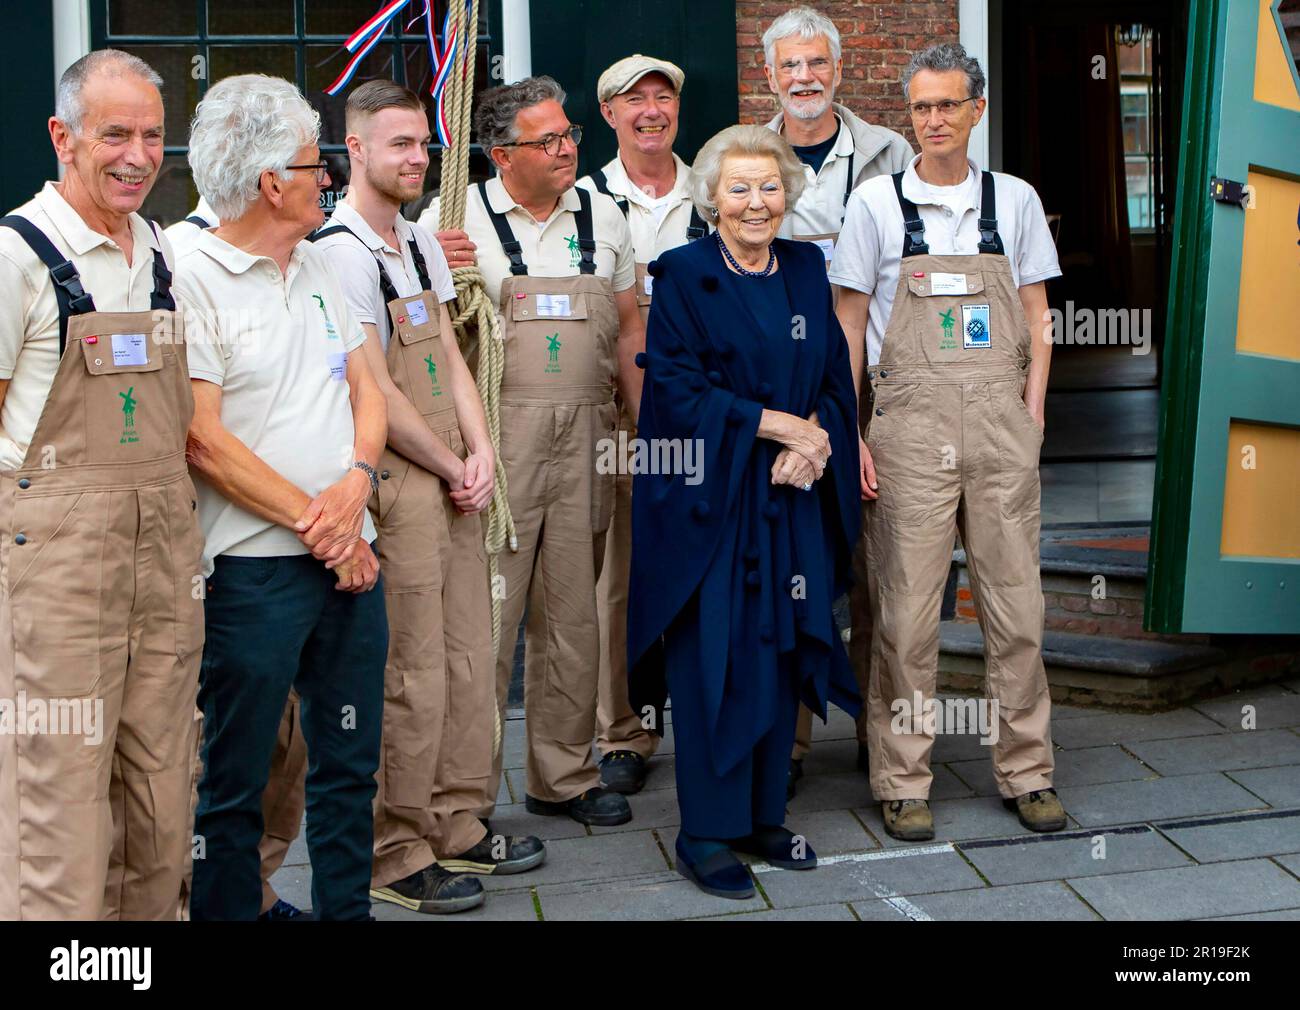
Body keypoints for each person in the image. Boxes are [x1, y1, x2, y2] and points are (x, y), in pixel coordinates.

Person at [314, 79, 544, 913]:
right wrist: (450, 466)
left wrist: (481, 447)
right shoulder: (339, 252)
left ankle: (458, 820)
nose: (416, 159)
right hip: (401, 482)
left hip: (455, 472)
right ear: (357, 152)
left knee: (466, 656)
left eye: (423, 145)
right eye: (399, 145)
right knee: (410, 669)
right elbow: (372, 387)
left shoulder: (415, 241)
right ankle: (396, 848)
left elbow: (447, 347)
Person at [830, 43, 1065, 841]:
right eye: (921, 106)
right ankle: (900, 779)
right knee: (903, 613)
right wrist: (855, 428)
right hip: (908, 428)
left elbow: (1037, 312)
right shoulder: (874, 205)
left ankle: (1027, 770)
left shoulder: (1015, 200)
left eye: (947, 105)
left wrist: (1032, 410)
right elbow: (849, 325)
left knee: (1017, 606)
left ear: (977, 109)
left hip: (1002, 425)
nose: (933, 120)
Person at [628, 124, 862, 899]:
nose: (757, 202)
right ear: (712, 199)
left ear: (787, 194)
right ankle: (704, 830)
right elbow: (676, 389)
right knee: (715, 661)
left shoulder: (804, 266)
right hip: (716, 507)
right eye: (740, 188)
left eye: (769, 187)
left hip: (792, 497)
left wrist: (819, 437)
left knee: (780, 652)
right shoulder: (684, 274)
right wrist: (776, 426)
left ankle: (764, 815)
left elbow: (833, 370)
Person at [179, 74, 389, 920]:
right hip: (252, 574)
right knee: (234, 786)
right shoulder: (185, 270)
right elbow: (202, 439)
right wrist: (328, 526)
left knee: (349, 768)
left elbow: (367, 388)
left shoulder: (315, 264)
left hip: (348, 556)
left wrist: (358, 488)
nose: (327, 177)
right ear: (272, 183)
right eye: (316, 162)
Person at [0, 49, 203, 921]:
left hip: (162, 556)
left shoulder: (158, 249)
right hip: (58, 568)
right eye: (114, 133)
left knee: (162, 786)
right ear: (62, 137)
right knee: (60, 799)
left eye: (153, 135)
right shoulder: (17, 254)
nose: (137, 155)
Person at [418, 76, 643, 827]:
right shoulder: (452, 221)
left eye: (570, 134)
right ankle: (467, 797)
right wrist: (435, 269)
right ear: (498, 153)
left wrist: (640, 434)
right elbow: (425, 339)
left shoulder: (605, 216)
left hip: (589, 438)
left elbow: (629, 332)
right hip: (496, 441)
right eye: (546, 140)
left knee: (575, 616)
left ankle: (565, 776)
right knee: (487, 622)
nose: (566, 149)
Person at [760, 6, 913, 796]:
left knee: (876, 570)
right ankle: (784, 743)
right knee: (787, 567)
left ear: (840, 70)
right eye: (790, 67)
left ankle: (880, 739)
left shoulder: (892, 155)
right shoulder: (743, 157)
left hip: (873, 391)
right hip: (778, 401)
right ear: (771, 75)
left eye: (817, 63)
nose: (805, 78)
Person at [165, 200, 308, 923]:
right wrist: (316, 517)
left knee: (289, 741)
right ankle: (206, 897)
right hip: (229, 552)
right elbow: (202, 438)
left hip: (305, 545)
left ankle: (254, 887)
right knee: (224, 745)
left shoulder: (298, 257)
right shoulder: (183, 260)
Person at [575, 54, 707, 796]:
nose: (651, 110)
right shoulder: (582, 200)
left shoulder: (714, 191)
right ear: (609, 114)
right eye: (635, 100)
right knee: (619, 575)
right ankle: (626, 730)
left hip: (705, 404)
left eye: (664, 97)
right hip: (614, 407)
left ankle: (706, 714)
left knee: (707, 561)